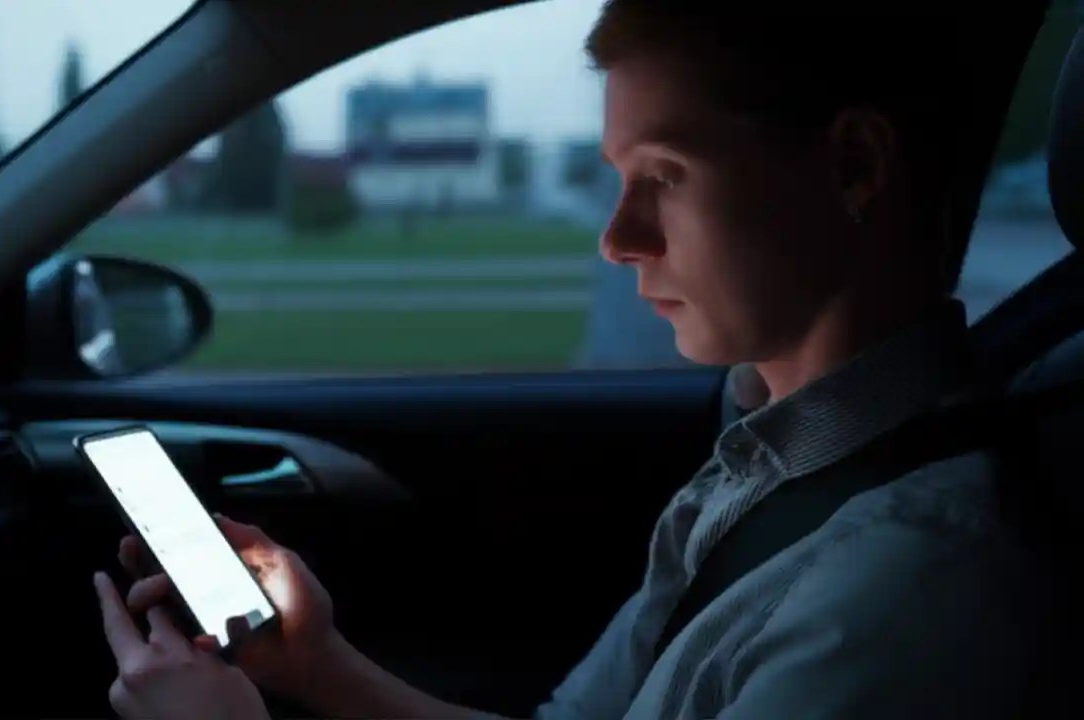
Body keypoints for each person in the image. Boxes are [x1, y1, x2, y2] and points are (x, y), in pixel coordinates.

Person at [92, 2, 1047, 718]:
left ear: (853, 168)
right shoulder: (765, 464)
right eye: (620, 179)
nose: (617, 238)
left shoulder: (905, 589)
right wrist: (320, 666)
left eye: (664, 177)